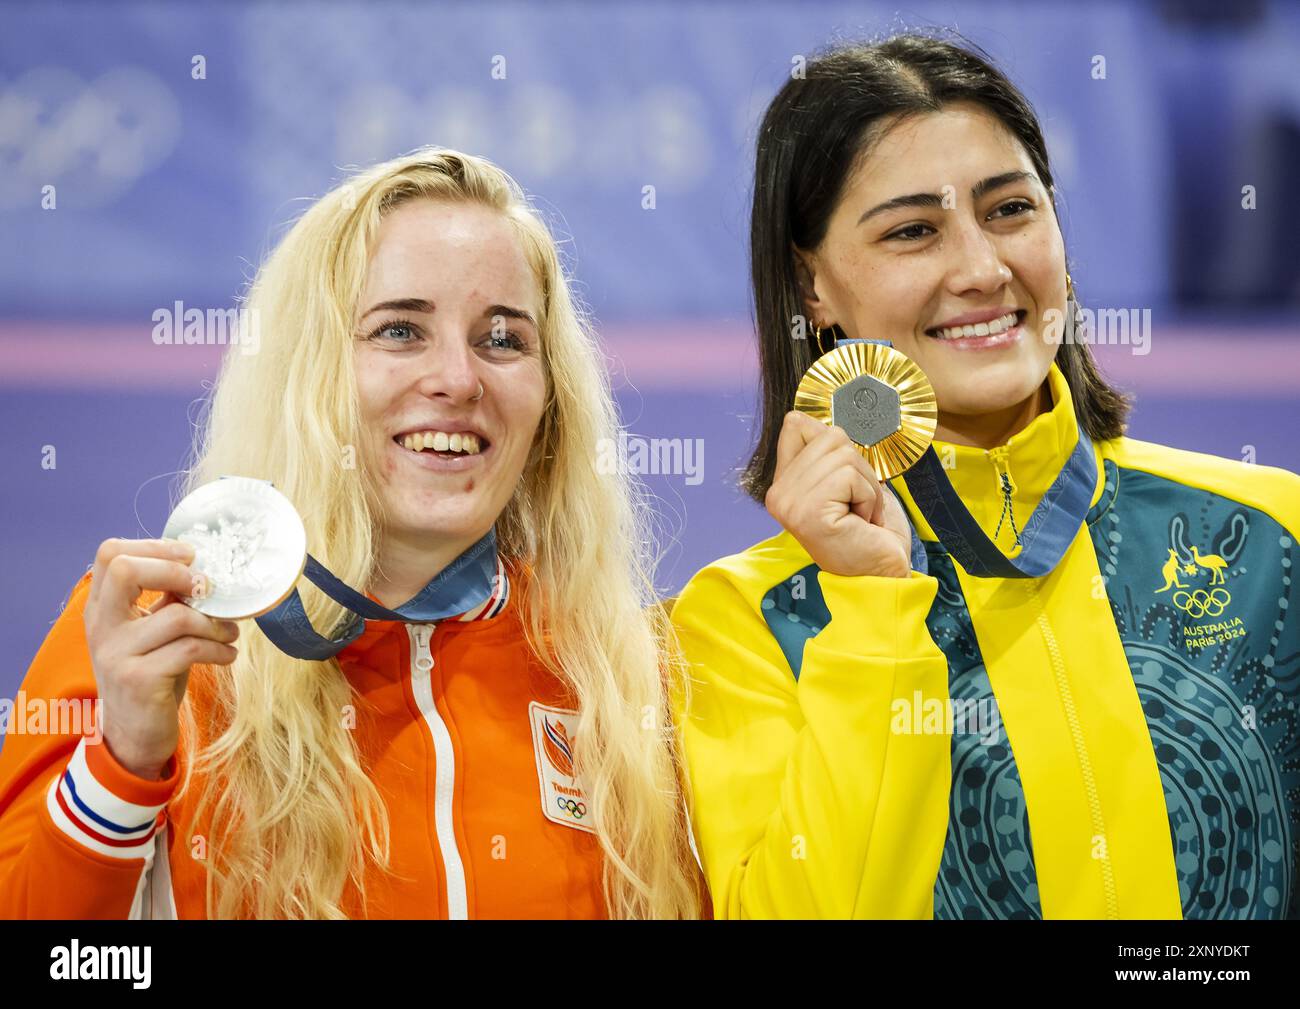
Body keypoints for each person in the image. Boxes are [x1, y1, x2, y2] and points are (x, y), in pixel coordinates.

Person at [671, 33, 1300, 919]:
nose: (980, 268)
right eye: (913, 231)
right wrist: (872, 611)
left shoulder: (1273, 533)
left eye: (1010, 210)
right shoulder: (748, 621)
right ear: (812, 287)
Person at [0, 148, 703, 920]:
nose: (458, 379)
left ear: (550, 400)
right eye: (400, 330)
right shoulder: (155, 640)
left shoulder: (622, 680)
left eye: (502, 338)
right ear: (312, 372)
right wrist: (123, 762)